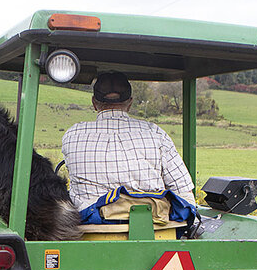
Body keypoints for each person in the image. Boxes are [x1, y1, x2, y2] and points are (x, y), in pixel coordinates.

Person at [61, 72, 197, 222]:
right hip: (154, 228)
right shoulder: (154, 132)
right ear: (130, 103)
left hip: (92, 229)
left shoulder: (73, 134)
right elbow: (183, 190)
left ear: (94, 103)